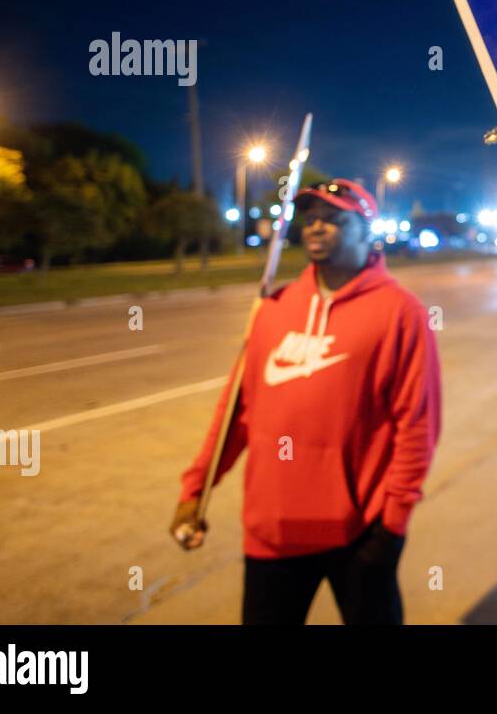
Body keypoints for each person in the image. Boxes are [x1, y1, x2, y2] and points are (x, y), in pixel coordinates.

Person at [170, 178, 441, 624]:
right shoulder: (274, 308)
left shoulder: (401, 312)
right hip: (273, 531)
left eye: (333, 219)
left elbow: (417, 424)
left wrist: (392, 524)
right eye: (310, 219)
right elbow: (236, 412)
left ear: (365, 230)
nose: (316, 227)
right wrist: (195, 490)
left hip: (360, 533)